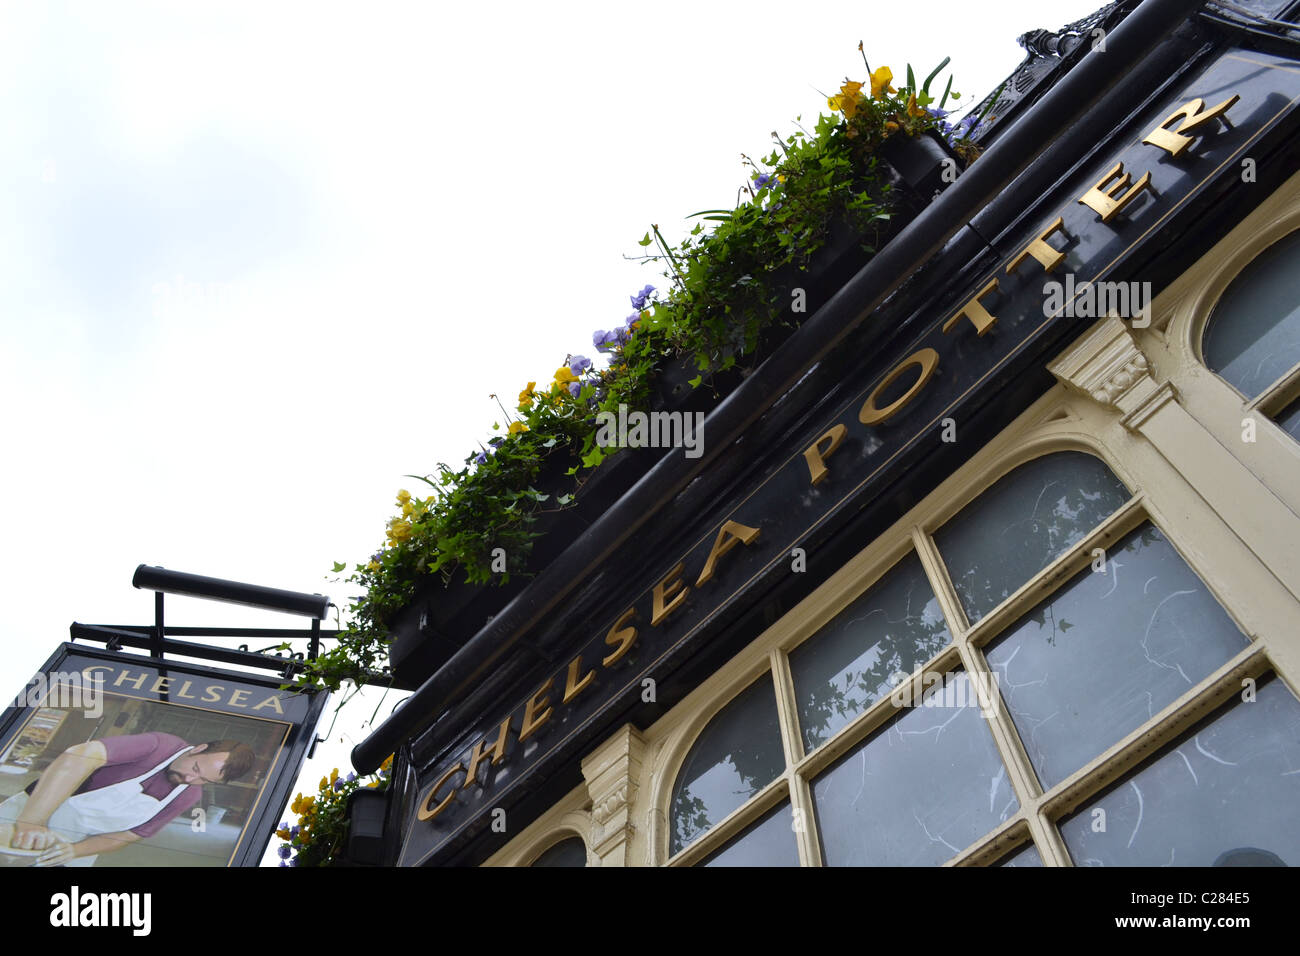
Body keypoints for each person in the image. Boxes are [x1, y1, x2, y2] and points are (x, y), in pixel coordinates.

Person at [0, 731, 255, 866]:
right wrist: (33, 821)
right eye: (196, 768)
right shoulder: (158, 745)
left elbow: (129, 835)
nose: (191, 779)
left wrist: (73, 851)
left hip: (73, 844)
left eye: (205, 780)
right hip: (27, 815)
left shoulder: (189, 794)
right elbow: (79, 755)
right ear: (198, 749)